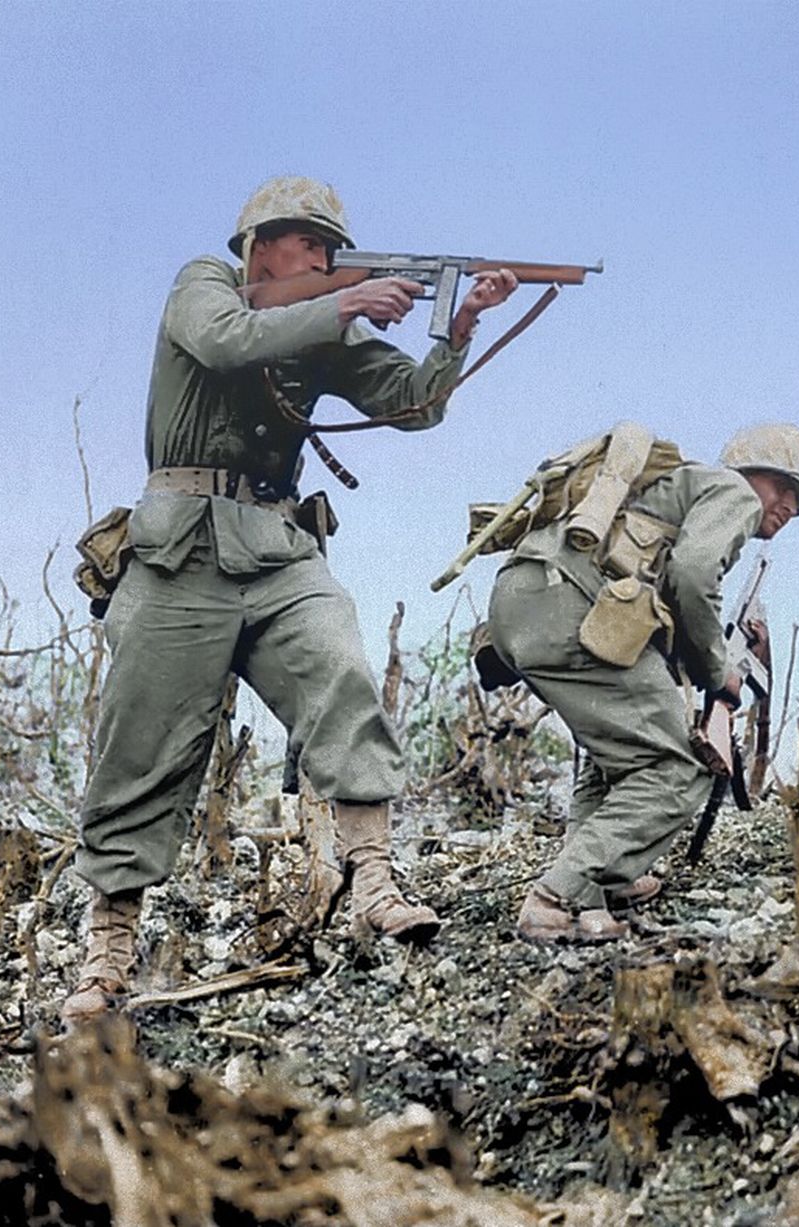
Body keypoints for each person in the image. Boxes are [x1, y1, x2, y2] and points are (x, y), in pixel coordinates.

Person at [62, 176, 517, 1023]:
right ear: (257, 243)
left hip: (277, 551)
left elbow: (410, 403)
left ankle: (374, 877)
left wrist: (458, 328)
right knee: (141, 747)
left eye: (330, 247)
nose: (322, 256)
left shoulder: (325, 322)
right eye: (306, 242)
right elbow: (227, 339)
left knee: (341, 670)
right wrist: (343, 303)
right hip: (179, 556)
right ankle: (109, 949)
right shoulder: (206, 282)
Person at [486, 423, 799, 942]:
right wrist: (721, 673)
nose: (790, 507)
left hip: (525, 603)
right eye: (786, 488)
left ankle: (597, 892)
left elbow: (663, 593)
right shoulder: (731, 491)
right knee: (676, 767)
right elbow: (692, 575)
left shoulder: (675, 495)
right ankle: (561, 896)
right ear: (754, 473)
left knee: (617, 756)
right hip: (571, 603)